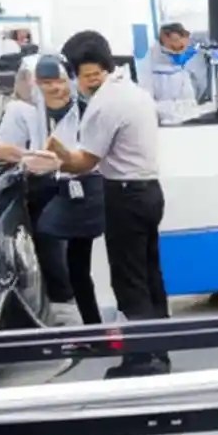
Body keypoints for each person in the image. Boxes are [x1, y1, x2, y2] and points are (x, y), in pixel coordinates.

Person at [44, 30, 169, 379]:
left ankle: (142, 360)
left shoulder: (104, 104)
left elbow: (84, 162)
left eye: (83, 75)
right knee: (149, 275)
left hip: (125, 195)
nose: (83, 82)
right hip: (149, 191)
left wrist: (54, 154)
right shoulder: (134, 92)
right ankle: (161, 349)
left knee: (129, 280)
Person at [0, 56, 103, 327]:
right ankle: (66, 314)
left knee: (76, 260)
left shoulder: (83, 109)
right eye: (47, 83)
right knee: (50, 249)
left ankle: (85, 321)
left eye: (60, 81)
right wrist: (26, 157)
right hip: (38, 189)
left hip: (79, 187)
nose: (56, 88)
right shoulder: (20, 111)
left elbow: (87, 153)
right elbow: (0, 153)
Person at [147, 22, 209, 107]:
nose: (177, 52)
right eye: (172, 47)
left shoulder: (193, 56)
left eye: (181, 47)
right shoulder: (152, 65)